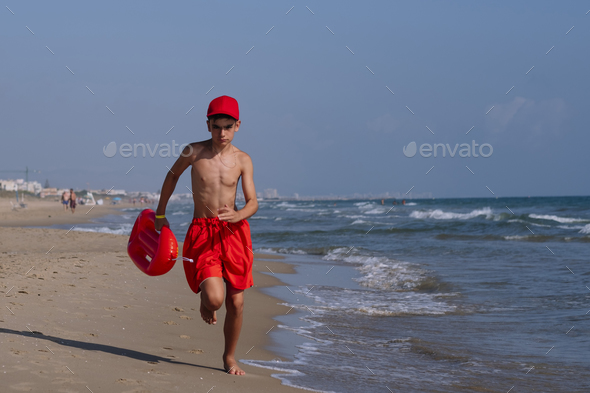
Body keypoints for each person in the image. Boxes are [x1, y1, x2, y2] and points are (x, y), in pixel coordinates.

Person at [155, 95, 258, 376]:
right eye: (216, 126)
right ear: (208, 124)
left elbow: (253, 202)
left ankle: (229, 357)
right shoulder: (194, 152)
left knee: (236, 302)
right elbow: (172, 176)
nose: (222, 133)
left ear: (238, 126)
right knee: (214, 299)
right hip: (203, 232)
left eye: (228, 126)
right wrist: (160, 213)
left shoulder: (242, 160)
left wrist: (239, 215)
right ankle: (206, 302)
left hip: (234, 233)